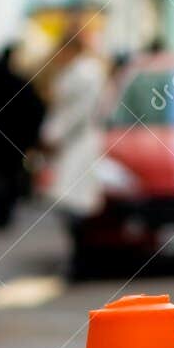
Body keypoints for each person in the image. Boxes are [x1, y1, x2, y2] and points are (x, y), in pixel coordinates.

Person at [40, 30, 107, 276]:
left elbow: (76, 113)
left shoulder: (86, 73)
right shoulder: (75, 72)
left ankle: (82, 260)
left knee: (75, 204)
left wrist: (53, 135)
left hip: (79, 144)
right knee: (69, 203)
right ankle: (79, 258)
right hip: (71, 145)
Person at [0, 45, 46, 230]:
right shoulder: (20, 83)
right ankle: (4, 211)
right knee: (11, 175)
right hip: (12, 140)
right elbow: (36, 110)